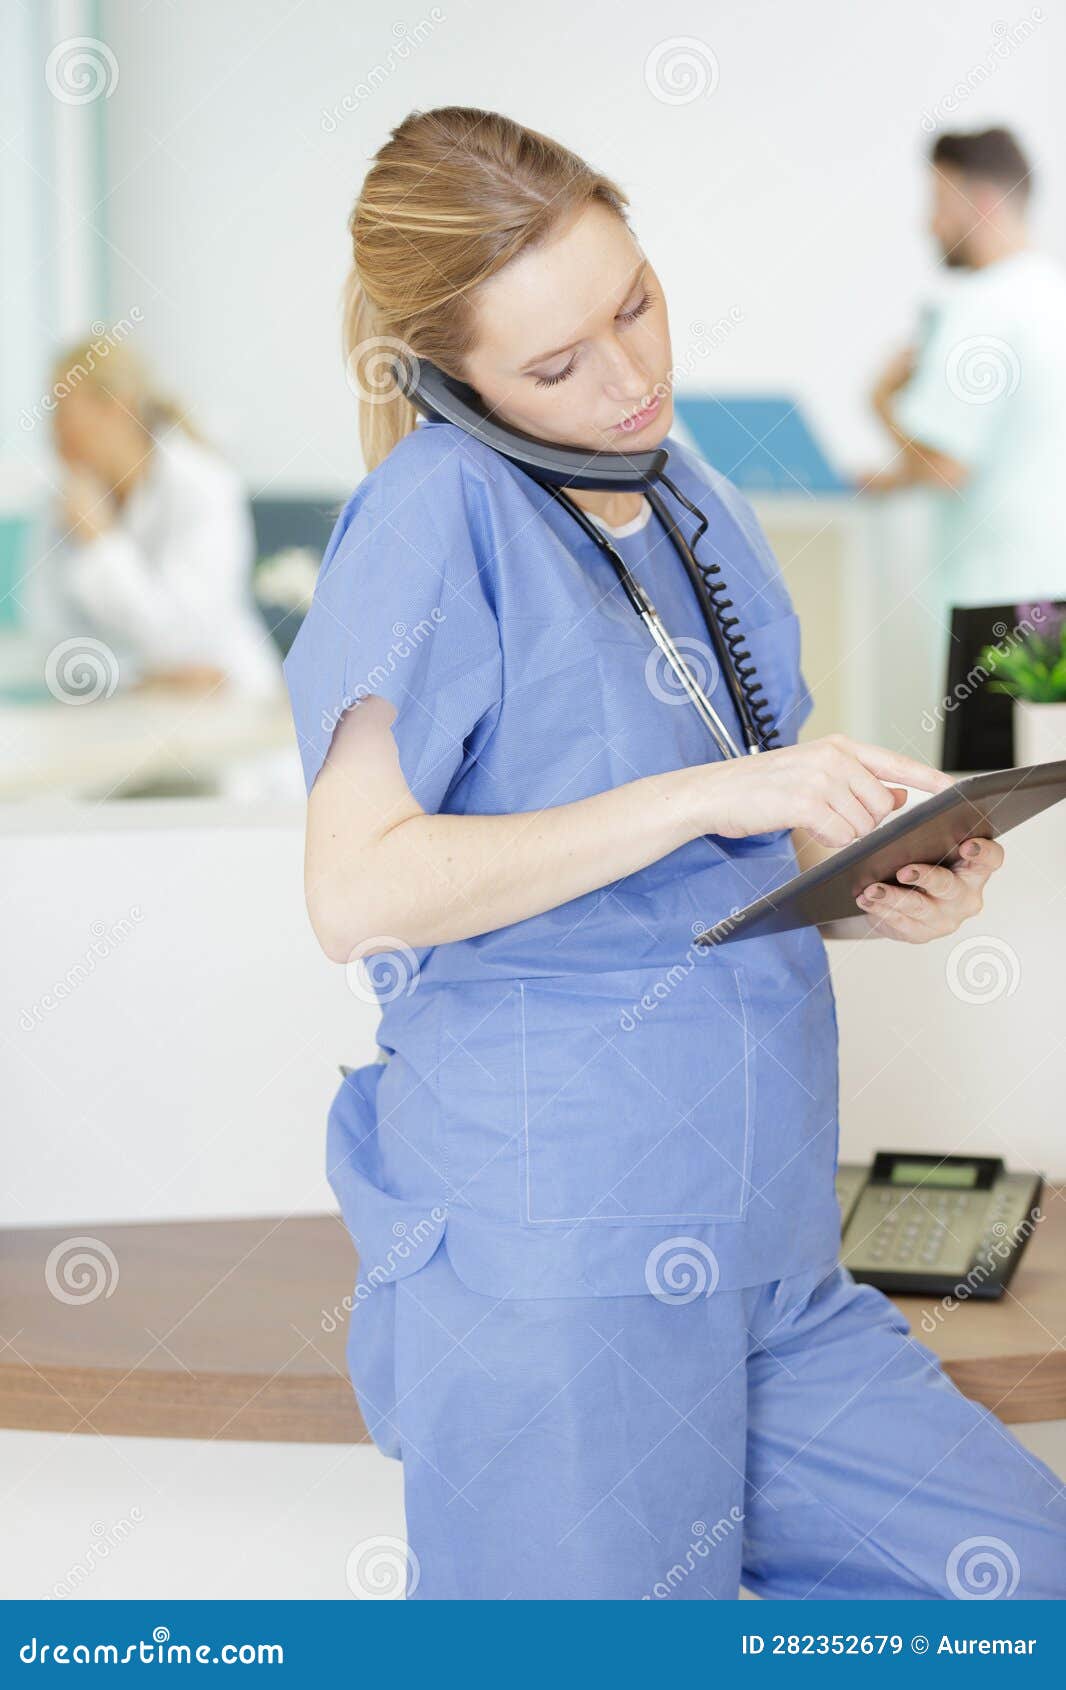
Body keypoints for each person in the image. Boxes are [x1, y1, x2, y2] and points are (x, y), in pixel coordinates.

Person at [283, 108, 1066, 1601]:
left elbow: (691, 873)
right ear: (449, 372)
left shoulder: (683, 491)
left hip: (764, 1250)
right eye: (555, 364)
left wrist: (872, 882)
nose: (631, 376)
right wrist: (713, 793)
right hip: (562, 1267)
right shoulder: (433, 510)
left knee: (1019, 1590)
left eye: (632, 302)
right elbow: (355, 887)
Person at [863, 126, 1066, 667]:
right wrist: (894, 477)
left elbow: (947, 467)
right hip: (1051, 600)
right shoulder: (1051, 294)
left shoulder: (980, 305)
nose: (928, 223)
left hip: (999, 611)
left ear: (980, 202)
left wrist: (880, 400)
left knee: (992, 756)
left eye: (937, 202)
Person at [21, 337, 282, 698]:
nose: (52, 431)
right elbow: (52, 646)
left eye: (63, 411)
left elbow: (186, 639)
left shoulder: (202, 484)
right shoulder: (62, 504)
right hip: (124, 708)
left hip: (230, 704)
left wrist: (100, 541)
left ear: (118, 408)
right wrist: (138, 678)